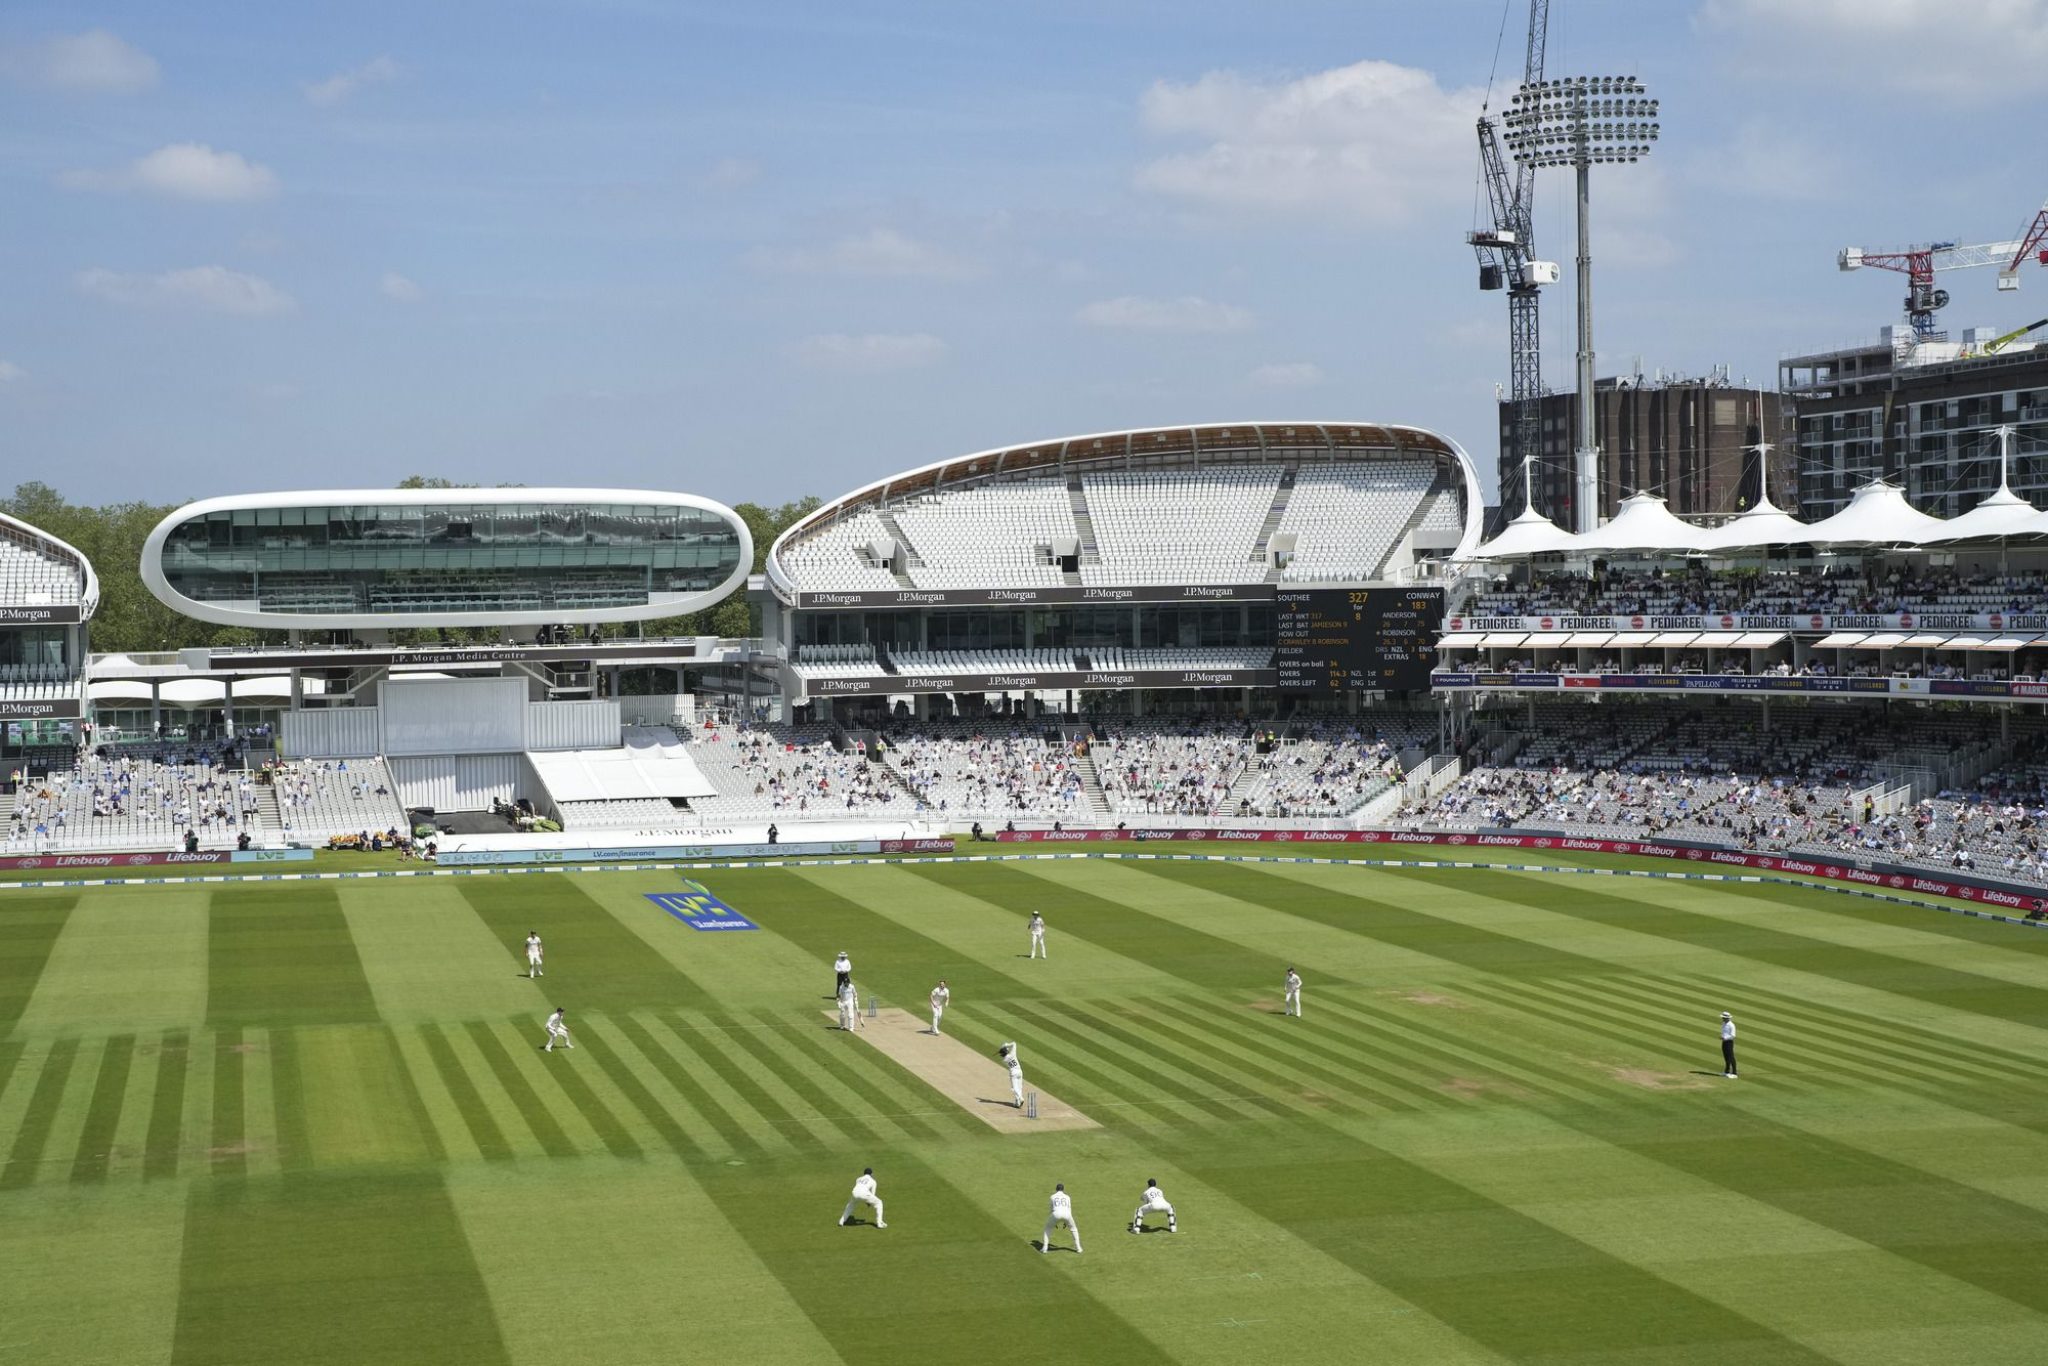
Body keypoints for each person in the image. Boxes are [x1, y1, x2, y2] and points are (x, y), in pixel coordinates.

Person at [1041, 1183, 1081, 1254]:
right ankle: (1078, 1248)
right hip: (1067, 1214)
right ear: (1063, 1189)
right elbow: (1069, 1209)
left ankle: (1045, 1248)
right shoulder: (1067, 1197)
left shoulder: (1052, 1196)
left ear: (1056, 1189)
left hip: (1055, 1214)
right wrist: (1067, 1221)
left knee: (1048, 1229)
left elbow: (1051, 1209)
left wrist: (1053, 1221)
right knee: (1074, 1229)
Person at [999, 1040, 1024, 1108]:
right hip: (1019, 1071)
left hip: (1013, 1073)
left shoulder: (1004, 1060)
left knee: (1014, 1087)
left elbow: (1004, 1053)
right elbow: (1014, 1043)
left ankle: (1020, 1098)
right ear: (1007, 1051)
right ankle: (1018, 1102)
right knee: (1019, 1087)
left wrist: (1004, 1047)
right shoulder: (1012, 1054)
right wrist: (1007, 1045)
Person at [1720, 1011, 1739, 1078]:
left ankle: (1734, 1073)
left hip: (1729, 1042)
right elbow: (1723, 1032)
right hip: (1724, 1042)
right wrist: (1722, 1036)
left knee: (1731, 1057)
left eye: (1724, 1018)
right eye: (1723, 1017)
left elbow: (1733, 1035)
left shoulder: (1731, 1025)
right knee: (1726, 1057)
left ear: (1727, 1018)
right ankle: (1726, 1072)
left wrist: (1725, 1038)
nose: (1723, 1018)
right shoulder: (1723, 1023)